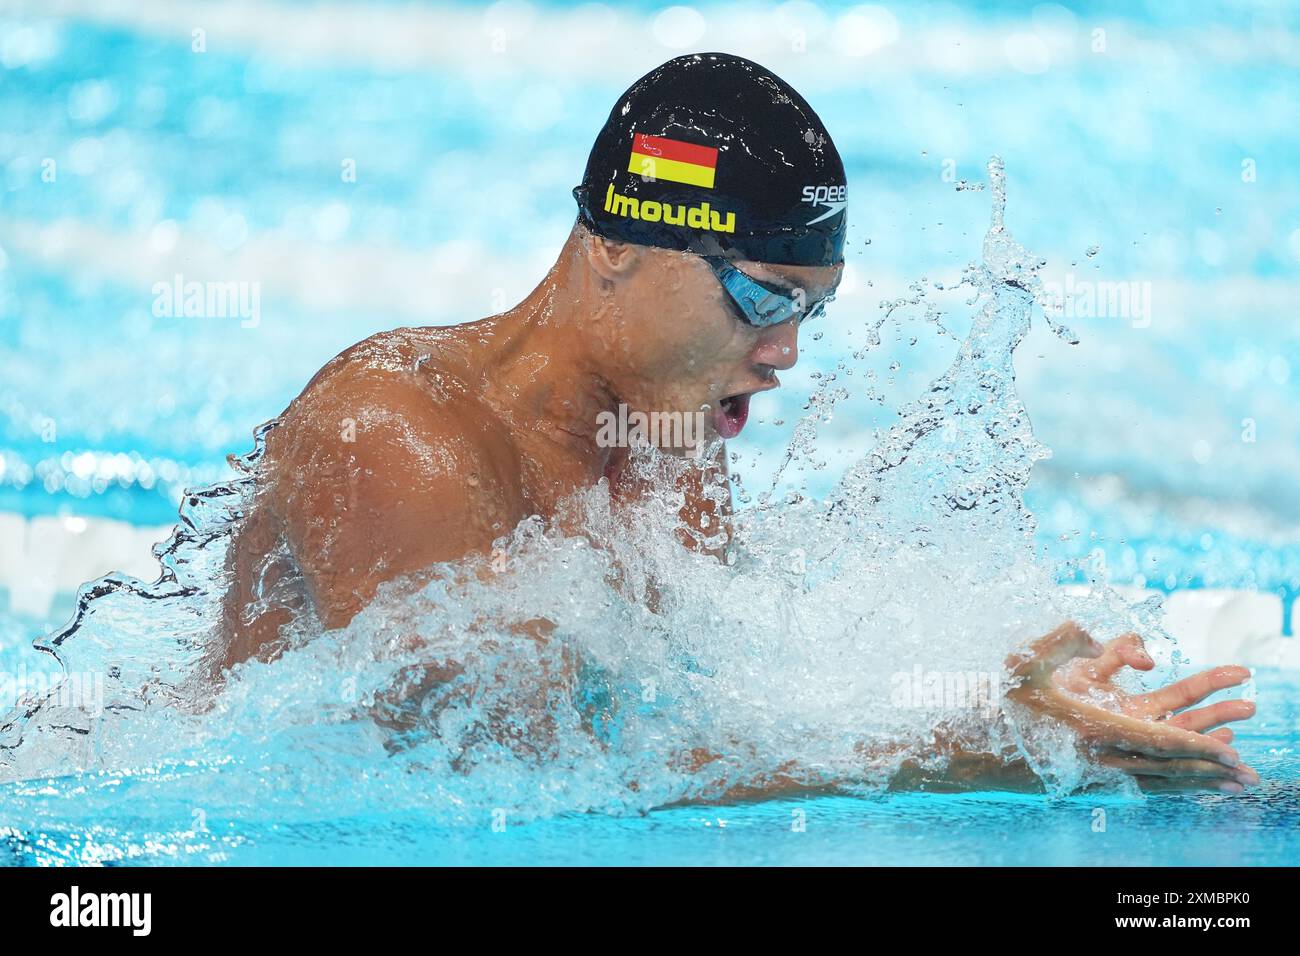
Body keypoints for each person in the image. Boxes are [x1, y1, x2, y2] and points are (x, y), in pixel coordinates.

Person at [220, 52, 1257, 795]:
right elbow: (512, 777)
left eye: (811, 311)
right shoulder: (393, 427)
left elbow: (706, 700)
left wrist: (1005, 696)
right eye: (763, 297)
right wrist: (944, 751)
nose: (788, 353)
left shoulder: (668, 433)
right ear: (616, 245)